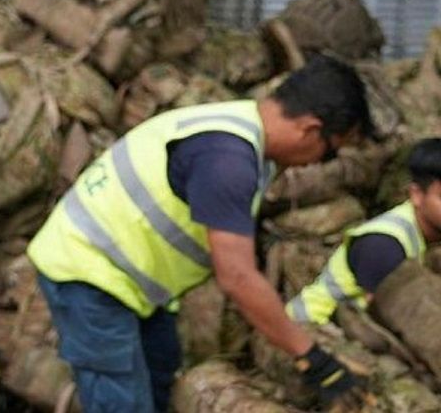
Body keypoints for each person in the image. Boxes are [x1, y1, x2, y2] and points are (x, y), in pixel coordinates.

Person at [27, 54, 374, 413]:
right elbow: (236, 276)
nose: (319, 164)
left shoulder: (238, 126)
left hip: (133, 282)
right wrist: (311, 356)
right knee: (122, 399)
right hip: (88, 272)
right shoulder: (228, 160)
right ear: (310, 130)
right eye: (329, 152)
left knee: (161, 371)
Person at [288, 137, 441, 325]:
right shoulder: (384, 244)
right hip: (307, 331)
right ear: (416, 195)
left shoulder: (423, 233)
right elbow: (406, 323)